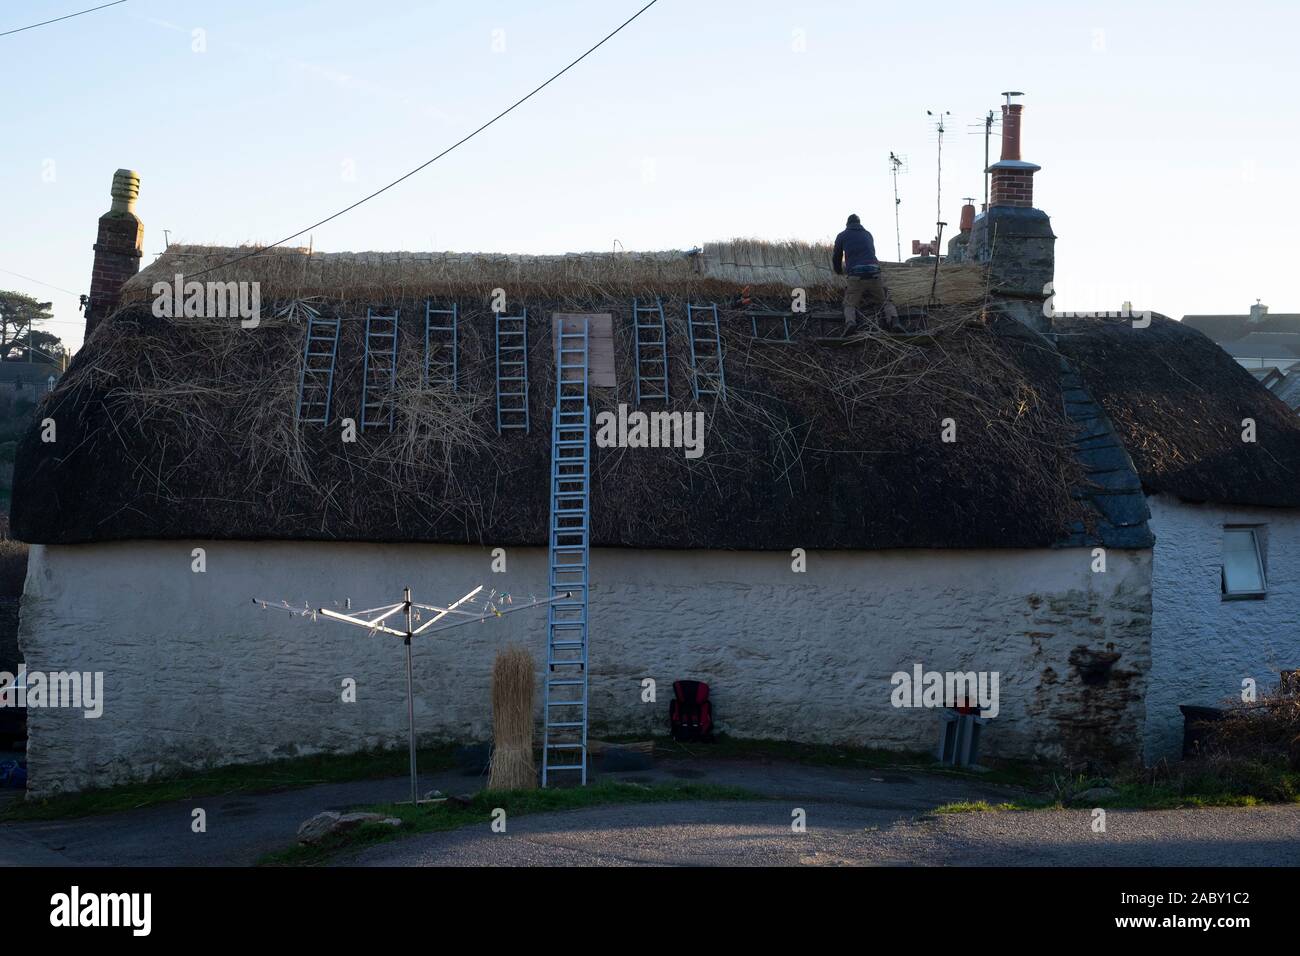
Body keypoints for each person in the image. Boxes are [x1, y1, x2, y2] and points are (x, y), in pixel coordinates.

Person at [831, 214, 898, 333]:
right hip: (874, 272)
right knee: (885, 301)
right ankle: (894, 321)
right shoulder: (868, 234)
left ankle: (851, 323)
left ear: (847, 224)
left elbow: (837, 256)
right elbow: (871, 252)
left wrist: (838, 271)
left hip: (856, 275)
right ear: (859, 223)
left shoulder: (842, 235)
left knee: (849, 303)